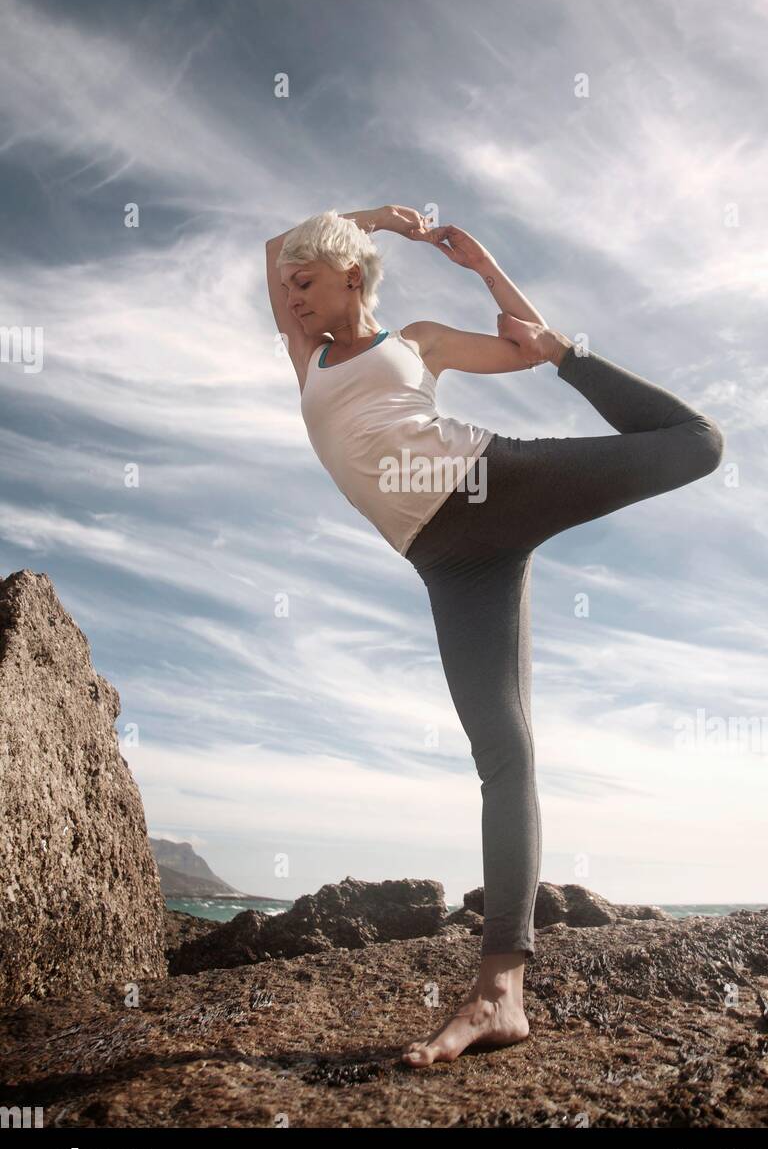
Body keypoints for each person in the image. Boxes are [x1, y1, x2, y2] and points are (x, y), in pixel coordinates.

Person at [265, 205, 725, 1066]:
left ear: (350, 280)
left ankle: (591, 366)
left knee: (695, 445)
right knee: (505, 754)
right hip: (448, 563)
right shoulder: (307, 358)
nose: (287, 295)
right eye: (288, 284)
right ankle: (501, 997)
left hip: (493, 483)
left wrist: (484, 267)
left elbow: (523, 345)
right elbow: (270, 247)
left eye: (305, 281)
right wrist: (377, 219)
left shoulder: (422, 341)